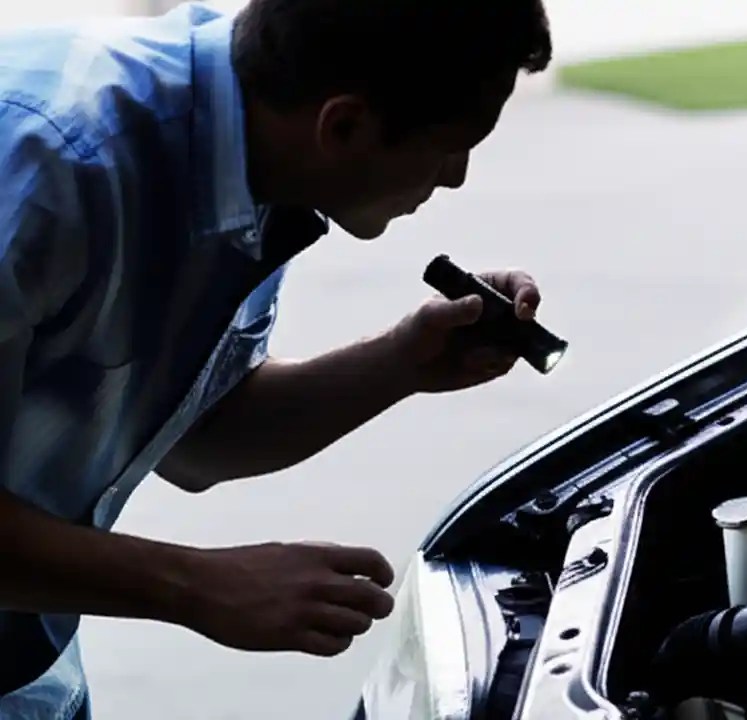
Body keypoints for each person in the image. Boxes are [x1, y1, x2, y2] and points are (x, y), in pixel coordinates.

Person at [0, 0, 553, 716]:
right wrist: (197, 584)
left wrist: (400, 361)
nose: (457, 177)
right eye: (454, 145)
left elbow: (197, 442)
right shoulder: (46, 167)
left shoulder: (255, 159)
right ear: (344, 125)